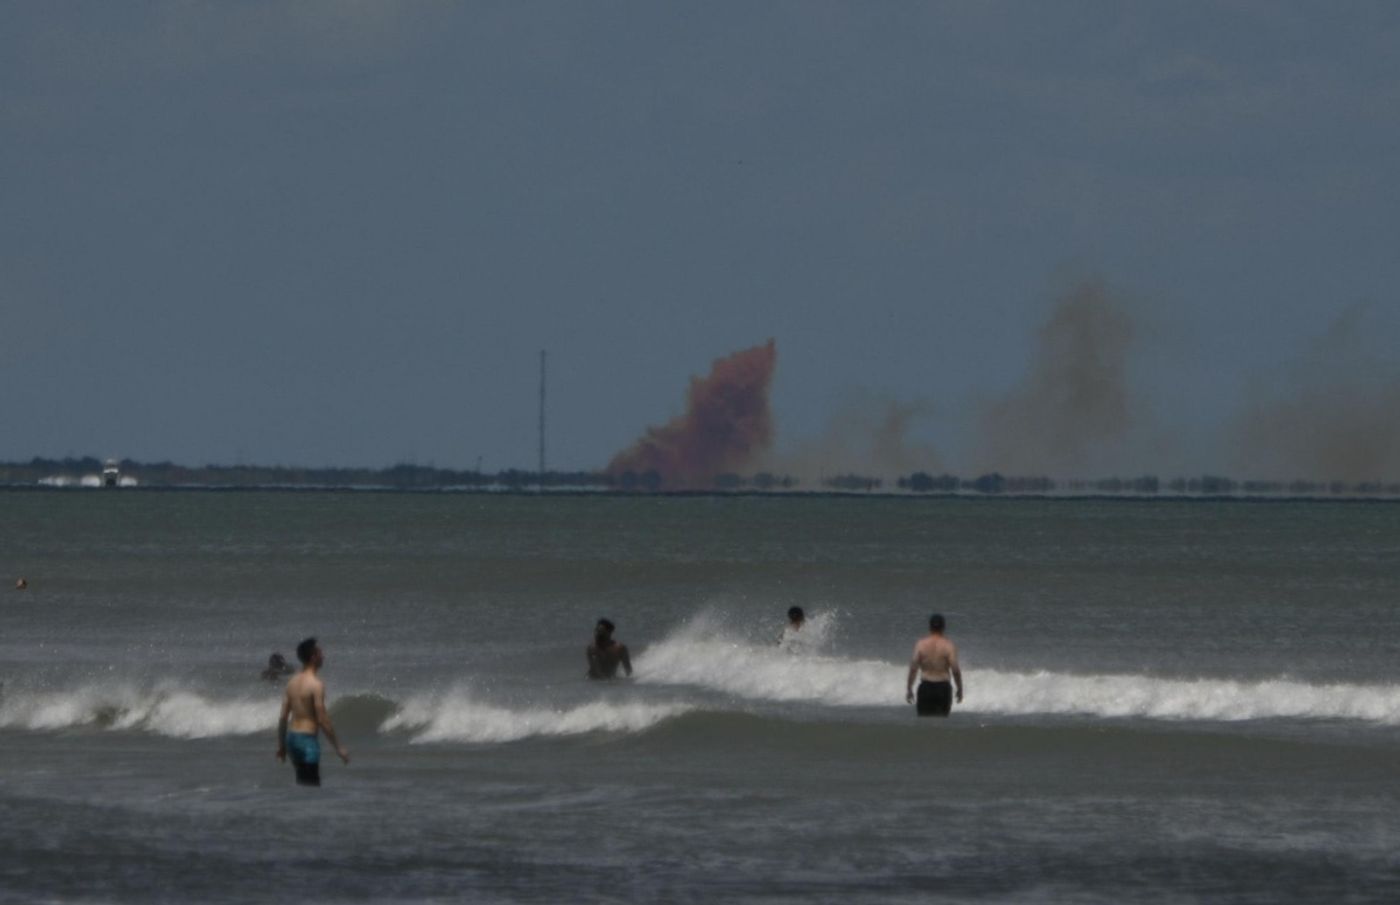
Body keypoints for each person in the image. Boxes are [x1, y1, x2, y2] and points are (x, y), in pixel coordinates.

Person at [276, 637, 349, 786]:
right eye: (320, 653)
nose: (324, 656)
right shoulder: (316, 685)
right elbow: (322, 719)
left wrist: (282, 746)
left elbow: (283, 718)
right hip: (307, 741)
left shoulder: (291, 682)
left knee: (302, 784)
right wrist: (338, 747)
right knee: (311, 787)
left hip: (291, 740)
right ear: (314, 657)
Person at [905, 613, 963, 717]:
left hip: (925, 688)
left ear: (929, 627)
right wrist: (960, 689)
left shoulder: (921, 644)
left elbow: (913, 668)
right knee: (942, 725)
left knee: (924, 725)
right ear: (944, 627)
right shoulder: (948, 645)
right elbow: (955, 670)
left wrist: (909, 689)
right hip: (943, 689)